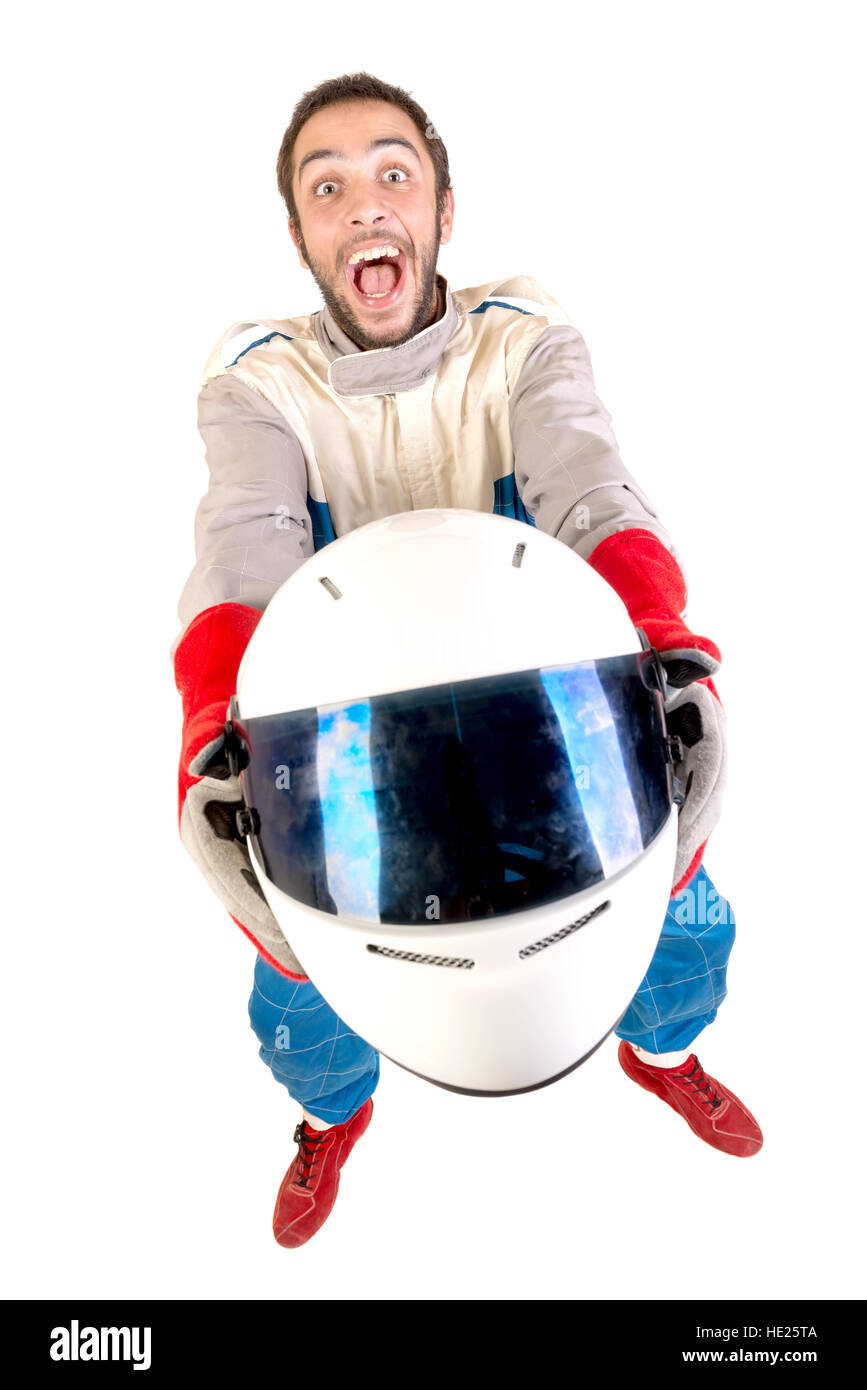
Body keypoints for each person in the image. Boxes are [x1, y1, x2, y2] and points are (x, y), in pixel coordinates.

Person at [172, 70, 763, 1250]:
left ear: (445, 209)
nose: (365, 205)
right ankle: (332, 1112)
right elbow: (244, 546)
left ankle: (665, 1049)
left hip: (546, 713)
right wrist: (208, 736)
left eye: (395, 174)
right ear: (301, 236)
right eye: (327, 187)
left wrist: (669, 647)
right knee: (298, 966)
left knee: (672, 906)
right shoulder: (257, 381)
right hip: (347, 734)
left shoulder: (525, 338)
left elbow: (589, 485)